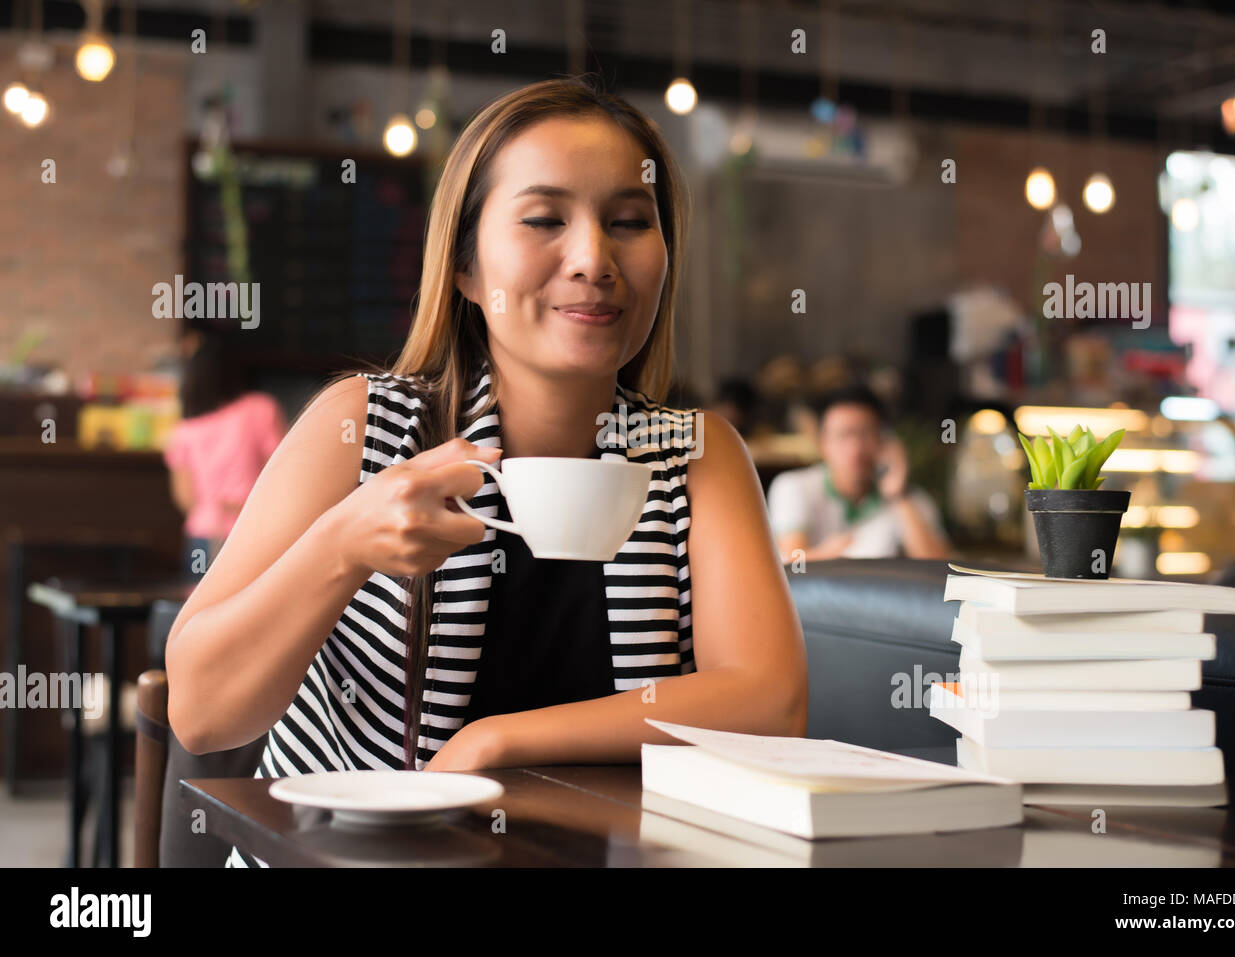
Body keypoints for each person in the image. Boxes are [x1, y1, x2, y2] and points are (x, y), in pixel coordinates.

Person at [161, 76, 808, 867]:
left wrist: (496, 739)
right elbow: (200, 712)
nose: (593, 258)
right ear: (466, 267)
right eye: (544, 219)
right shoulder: (362, 426)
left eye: (629, 222)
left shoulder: (697, 454)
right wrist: (343, 547)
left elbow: (770, 701)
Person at [767, 385, 949, 563]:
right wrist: (832, 554)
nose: (856, 449)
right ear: (823, 443)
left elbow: (940, 574)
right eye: (843, 435)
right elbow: (792, 566)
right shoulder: (794, 487)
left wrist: (898, 496)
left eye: (865, 434)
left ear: (884, 440)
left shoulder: (910, 499)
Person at [164, 332, 287, 578]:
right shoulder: (261, 409)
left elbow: (185, 497)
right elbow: (282, 472)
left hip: (203, 536)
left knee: (198, 613)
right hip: (252, 533)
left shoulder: (184, 430)